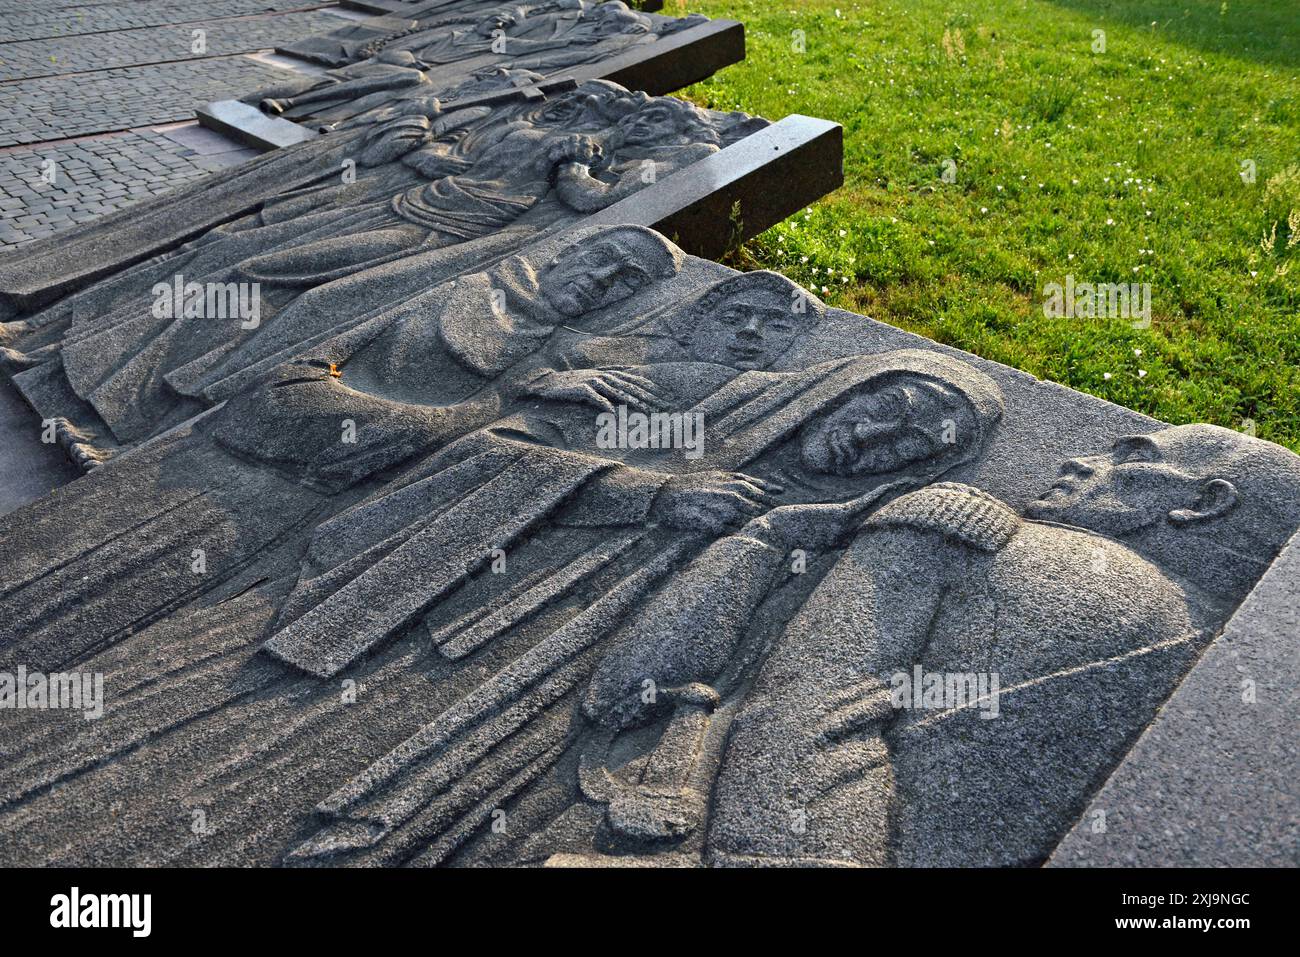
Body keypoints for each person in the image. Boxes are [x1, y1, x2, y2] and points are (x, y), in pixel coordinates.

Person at [706, 424, 1300, 866]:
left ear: (1200, 505)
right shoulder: (1253, 680)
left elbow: (810, 709)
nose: (1077, 457)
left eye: (1133, 455)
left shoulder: (963, 525)